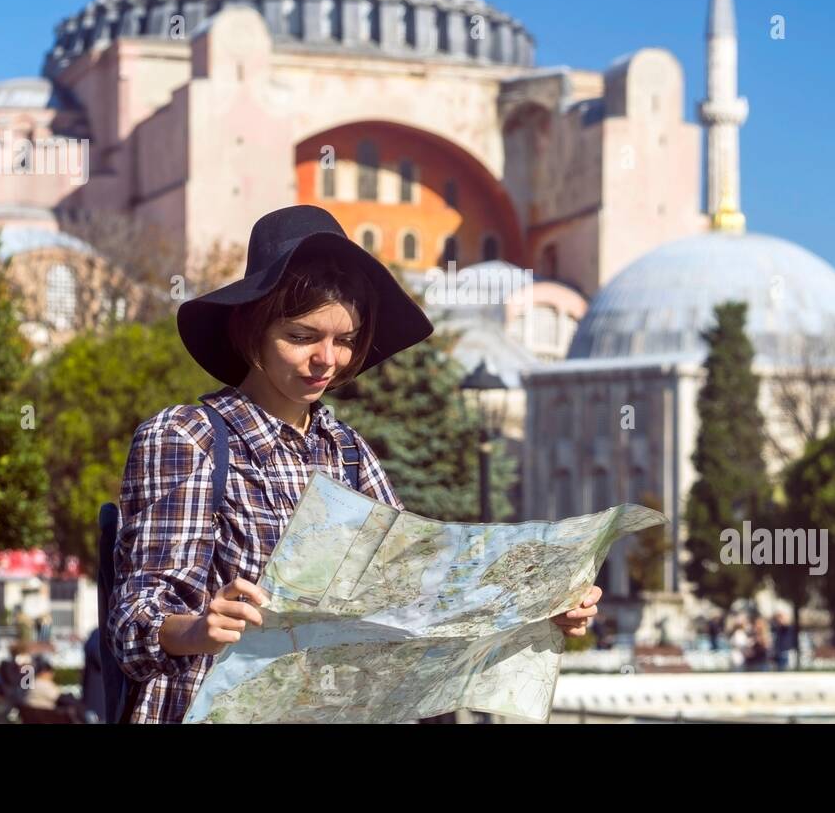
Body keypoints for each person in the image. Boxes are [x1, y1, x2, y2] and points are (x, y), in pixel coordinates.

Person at [108, 206, 603, 723]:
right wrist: (199, 629)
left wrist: (540, 606)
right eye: (301, 337)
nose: (328, 359)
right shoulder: (188, 438)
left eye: (344, 340)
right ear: (249, 329)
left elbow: (421, 590)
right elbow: (134, 623)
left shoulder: (346, 451)